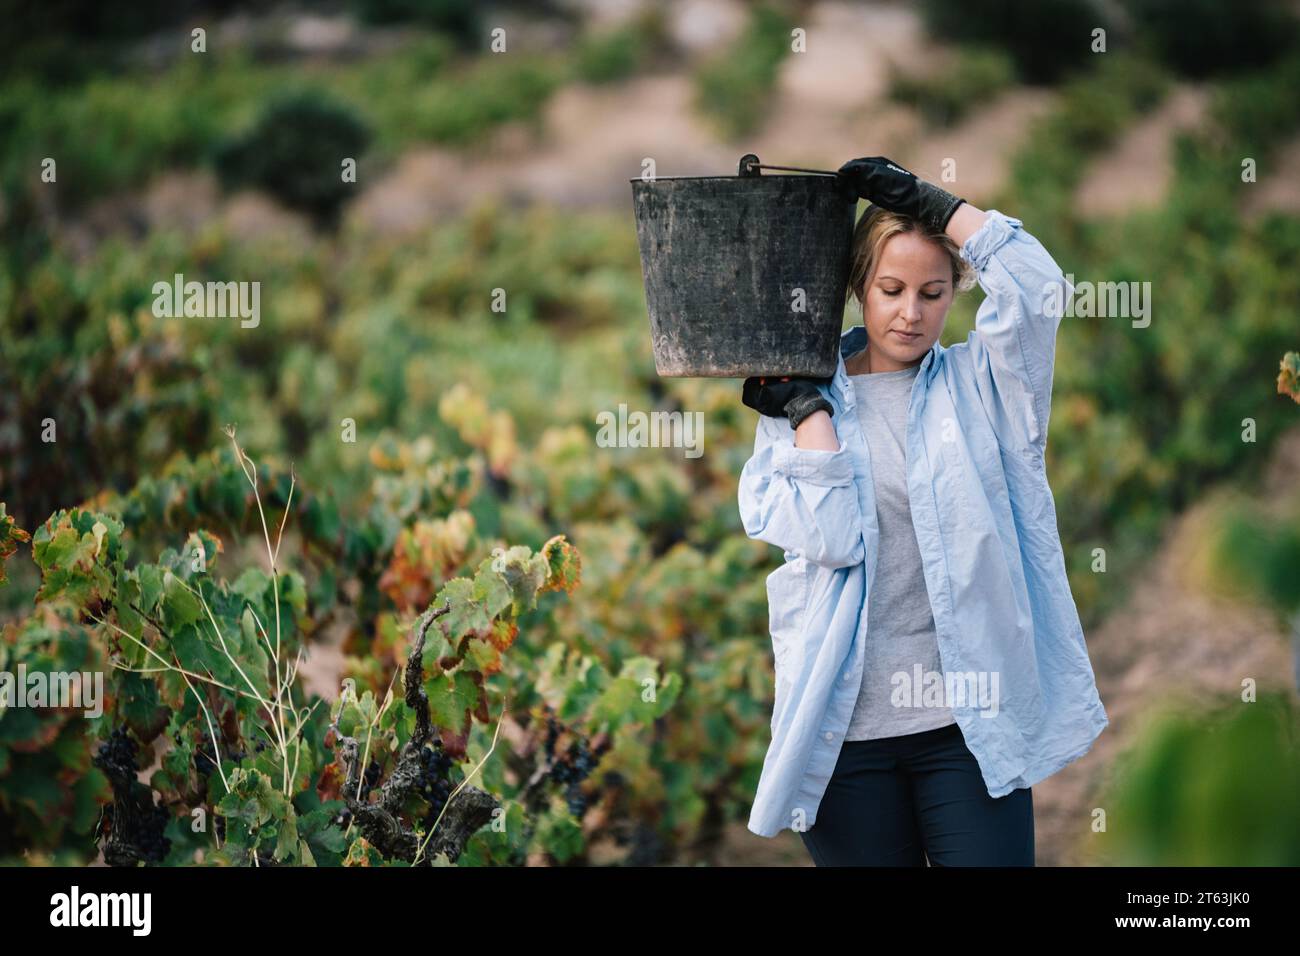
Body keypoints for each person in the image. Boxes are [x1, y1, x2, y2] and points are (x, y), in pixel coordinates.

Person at [737, 156, 1108, 865]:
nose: (911, 313)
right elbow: (832, 538)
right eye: (892, 289)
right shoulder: (800, 404)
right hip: (847, 734)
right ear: (858, 289)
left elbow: (1036, 290)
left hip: (967, 731)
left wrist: (936, 205)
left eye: (933, 293)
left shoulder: (988, 390)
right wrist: (811, 413)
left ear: (953, 294)